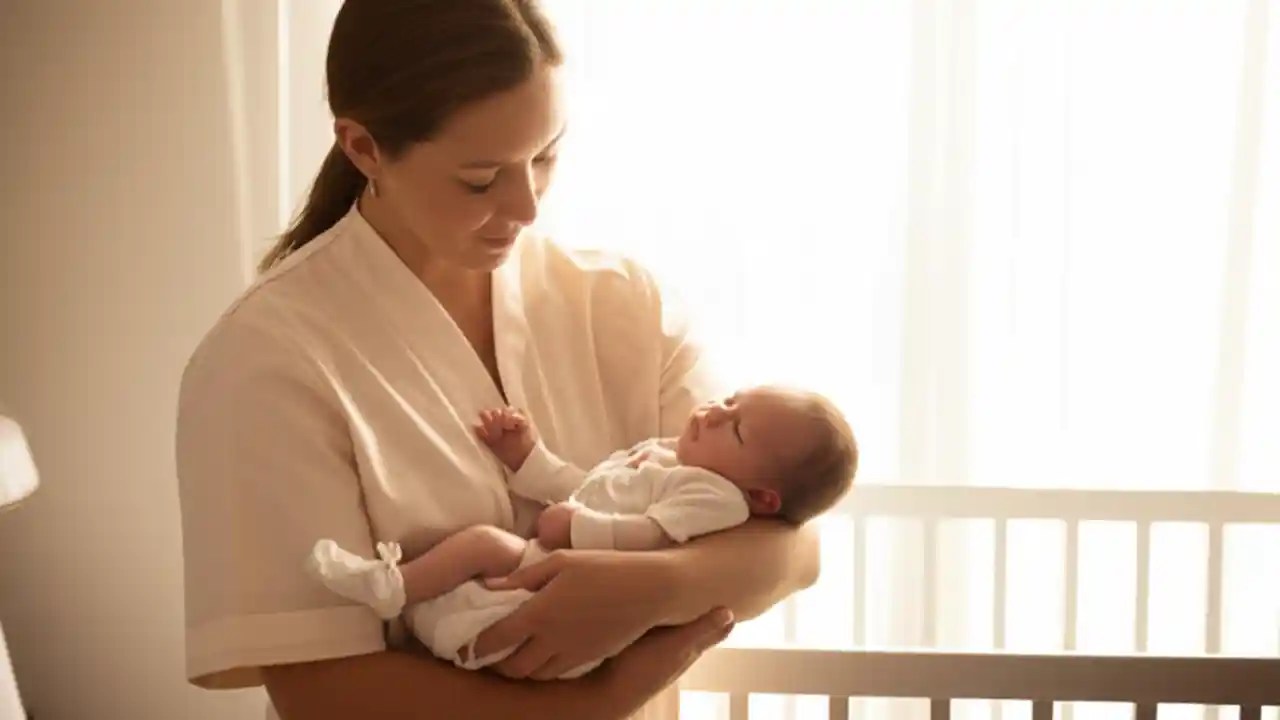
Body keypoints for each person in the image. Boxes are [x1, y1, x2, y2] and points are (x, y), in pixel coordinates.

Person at [174, 1, 822, 718]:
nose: (527, 205)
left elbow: (790, 548)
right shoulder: (267, 358)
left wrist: (641, 590)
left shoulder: (624, 302)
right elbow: (321, 686)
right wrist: (593, 704)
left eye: (544, 156)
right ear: (363, 148)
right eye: (481, 180)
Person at [308, 387, 858, 678]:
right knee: (473, 547)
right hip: (545, 565)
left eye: (734, 426)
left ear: (763, 498)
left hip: (559, 591)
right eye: (731, 399)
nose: (714, 412)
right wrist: (525, 456)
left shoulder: (714, 498)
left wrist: (581, 529)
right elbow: (583, 484)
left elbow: (649, 535)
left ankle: (395, 588)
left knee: (481, 544)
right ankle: (405, 589)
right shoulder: (667, 456)